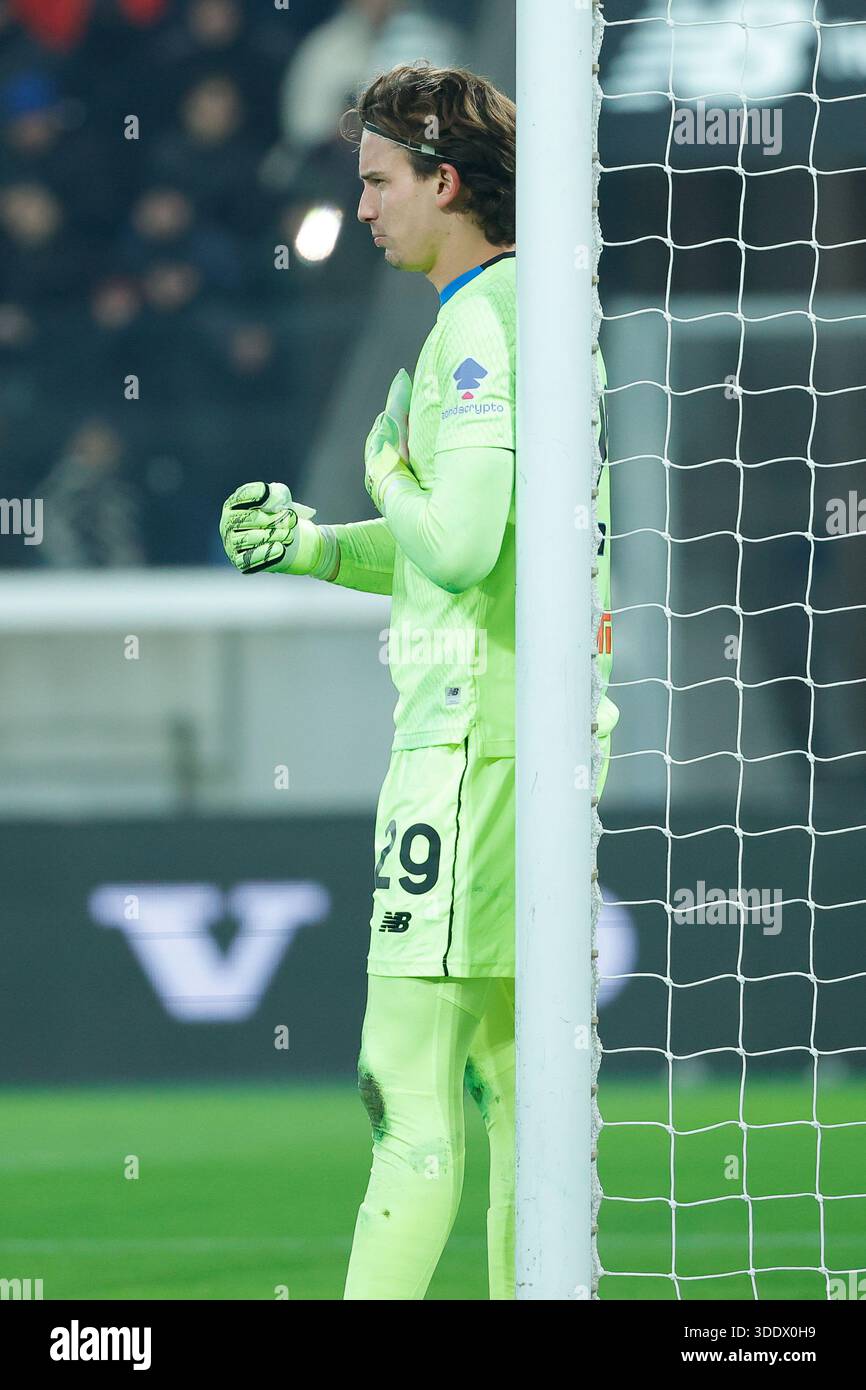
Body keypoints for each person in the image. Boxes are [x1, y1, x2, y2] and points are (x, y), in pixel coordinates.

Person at [220, 61, 617, 1300]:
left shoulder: (473, 327)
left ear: (445, 184)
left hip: (465, 759)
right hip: (534, 746)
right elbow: (476, 557)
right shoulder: (540, 315)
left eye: (382, 182)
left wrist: (381, 467)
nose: (369, 207)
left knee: (405, 1091)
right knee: (513, 1097)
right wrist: (319, 547)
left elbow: (452, 535)